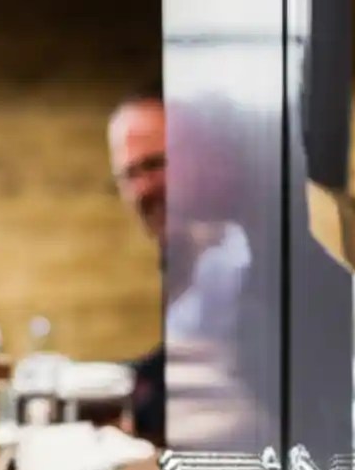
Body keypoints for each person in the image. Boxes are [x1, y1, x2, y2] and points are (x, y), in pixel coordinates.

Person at [107, 80, 250, 443]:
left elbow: (236, 392)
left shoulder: (240, 256)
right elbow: (178, 358)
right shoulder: (189, 257)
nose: (143, 189)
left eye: (156, 165)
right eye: (129, 174)